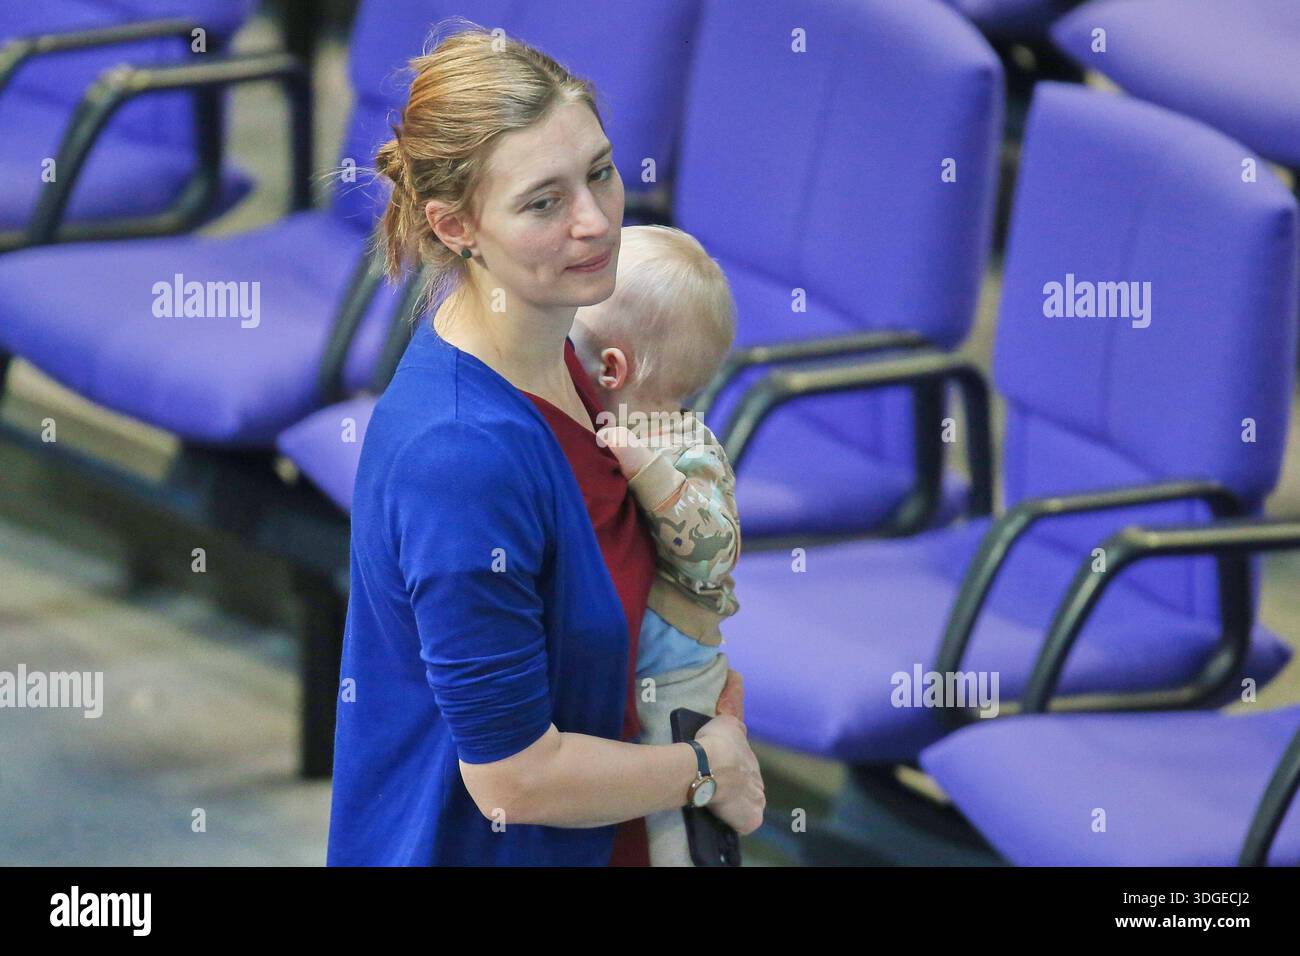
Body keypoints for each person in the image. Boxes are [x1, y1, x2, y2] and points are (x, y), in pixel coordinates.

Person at [325, 22, 764, 866]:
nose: (596, 222)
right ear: (456, 228)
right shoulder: (461, 460)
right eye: (544, 201)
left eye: (599, 173)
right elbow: (515, 779)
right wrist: (708, 765)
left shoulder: (566, 349)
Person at [570, 225, 742, 865]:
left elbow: (713, 550)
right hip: (628, 659)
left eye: (571, 343)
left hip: (677, 667)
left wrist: (647, 469)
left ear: (610, 368)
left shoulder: (685, 449)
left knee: (674, 816)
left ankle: (722, 803)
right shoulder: (597, 427)